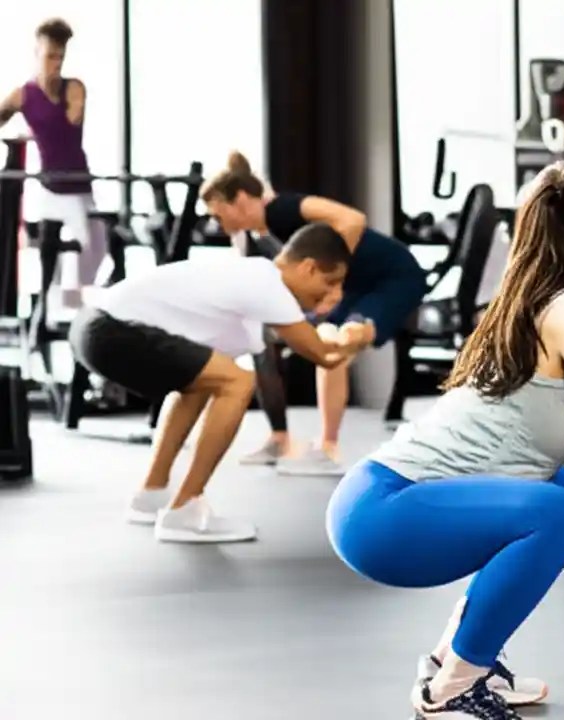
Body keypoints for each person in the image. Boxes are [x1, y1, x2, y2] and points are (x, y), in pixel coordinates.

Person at [326, 150, 564, 720]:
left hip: (378, 504)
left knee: (562, 490)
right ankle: (452, 690)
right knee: (554, 512)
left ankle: (456, 665)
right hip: (386, 514)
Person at [68, 224, 357, 543]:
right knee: (237, 382)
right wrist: (356, 337)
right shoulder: (267, 284)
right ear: (308, 267)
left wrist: (332, 335)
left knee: (203, 383)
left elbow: (289, 343)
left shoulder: (252, 279)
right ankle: (185, 512)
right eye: (330, 282)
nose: (334, 294)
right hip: (111, 331)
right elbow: (320, 354)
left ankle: (152, 494)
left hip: (92, 327)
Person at [201, 152, 428, 475]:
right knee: (267, 341)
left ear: (239, 199)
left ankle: (327, 449)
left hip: (393, 277)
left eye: (218, 214)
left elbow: (353, 220)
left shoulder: (282, 209)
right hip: (358, 287)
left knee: (335, 338)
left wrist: (333, 279)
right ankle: (281, 438)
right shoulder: (258, 238)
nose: (218, 224)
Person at [0, 18, 108, 305]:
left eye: (61, 57)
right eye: (50, 56)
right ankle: (44, 316)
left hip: (78, 189)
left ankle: (71, 302)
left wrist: (49, 102)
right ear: (36, 53)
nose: (56, 63)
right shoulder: (22, 94)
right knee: (47, 257)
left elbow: (69, 122)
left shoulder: (74, 88)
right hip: (49, 189)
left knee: (96, 251)